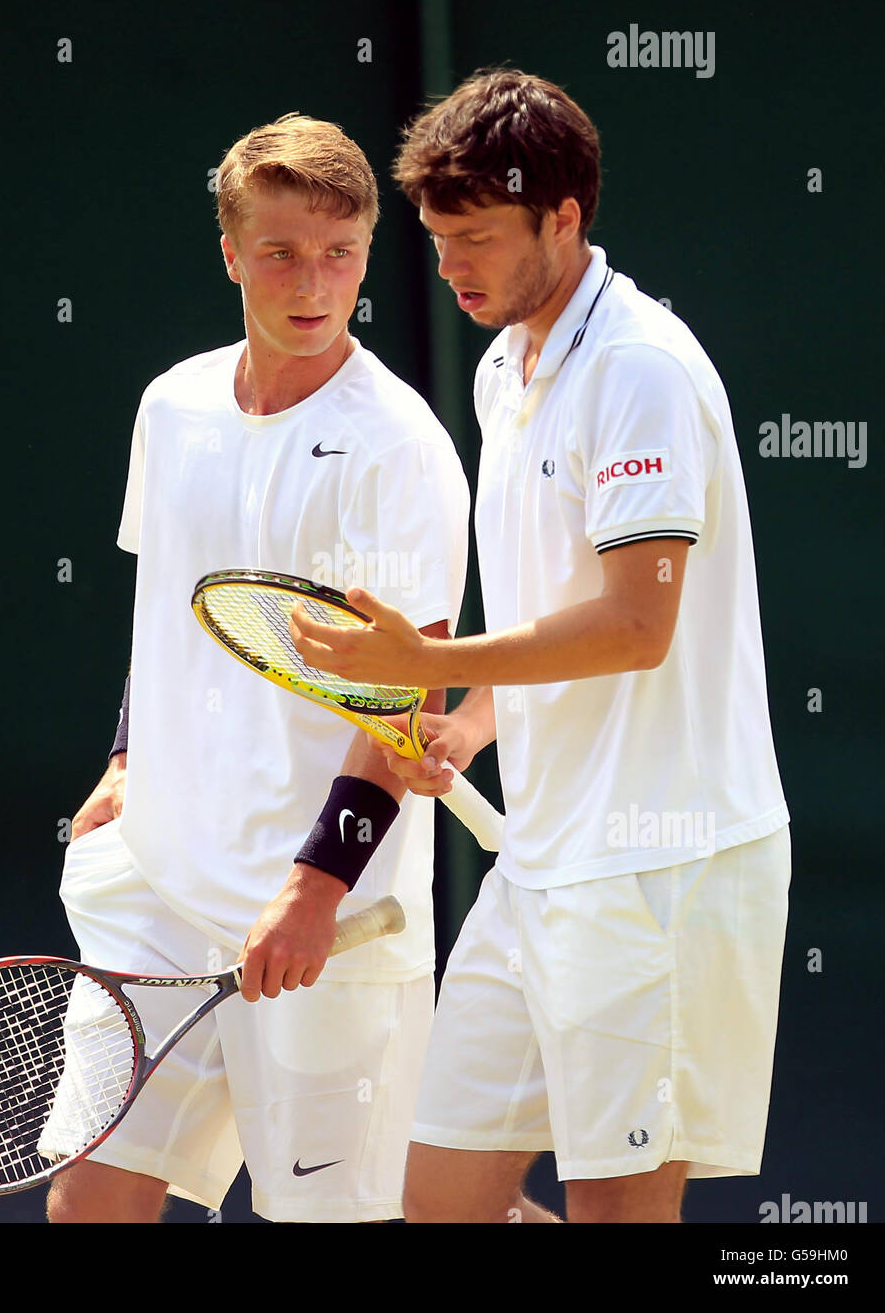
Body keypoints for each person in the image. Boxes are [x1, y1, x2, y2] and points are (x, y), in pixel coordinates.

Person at [290, 69, 791, 1224]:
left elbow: (632, 625)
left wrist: (426, 663)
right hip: (545, 867)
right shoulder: (502, 368)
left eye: (477, 238)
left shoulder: (640, 372)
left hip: (662, 869)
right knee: (443, 1203)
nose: (453, 267)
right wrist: (464, 720)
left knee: (624, 1211)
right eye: (436, 241)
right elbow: (548, 607)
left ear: (563, 217)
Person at [46, 114, 470, 1224]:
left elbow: (405, 695)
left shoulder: (400, 446)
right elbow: (171, 611)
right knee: (89, 1203)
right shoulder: (172, 405)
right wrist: (128, 759)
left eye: (339, 253)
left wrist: (315, 883)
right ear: (231, 253)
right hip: (158, 883)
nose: (311, 281)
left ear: (369, 257)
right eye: (280, 251)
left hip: (325, 914)